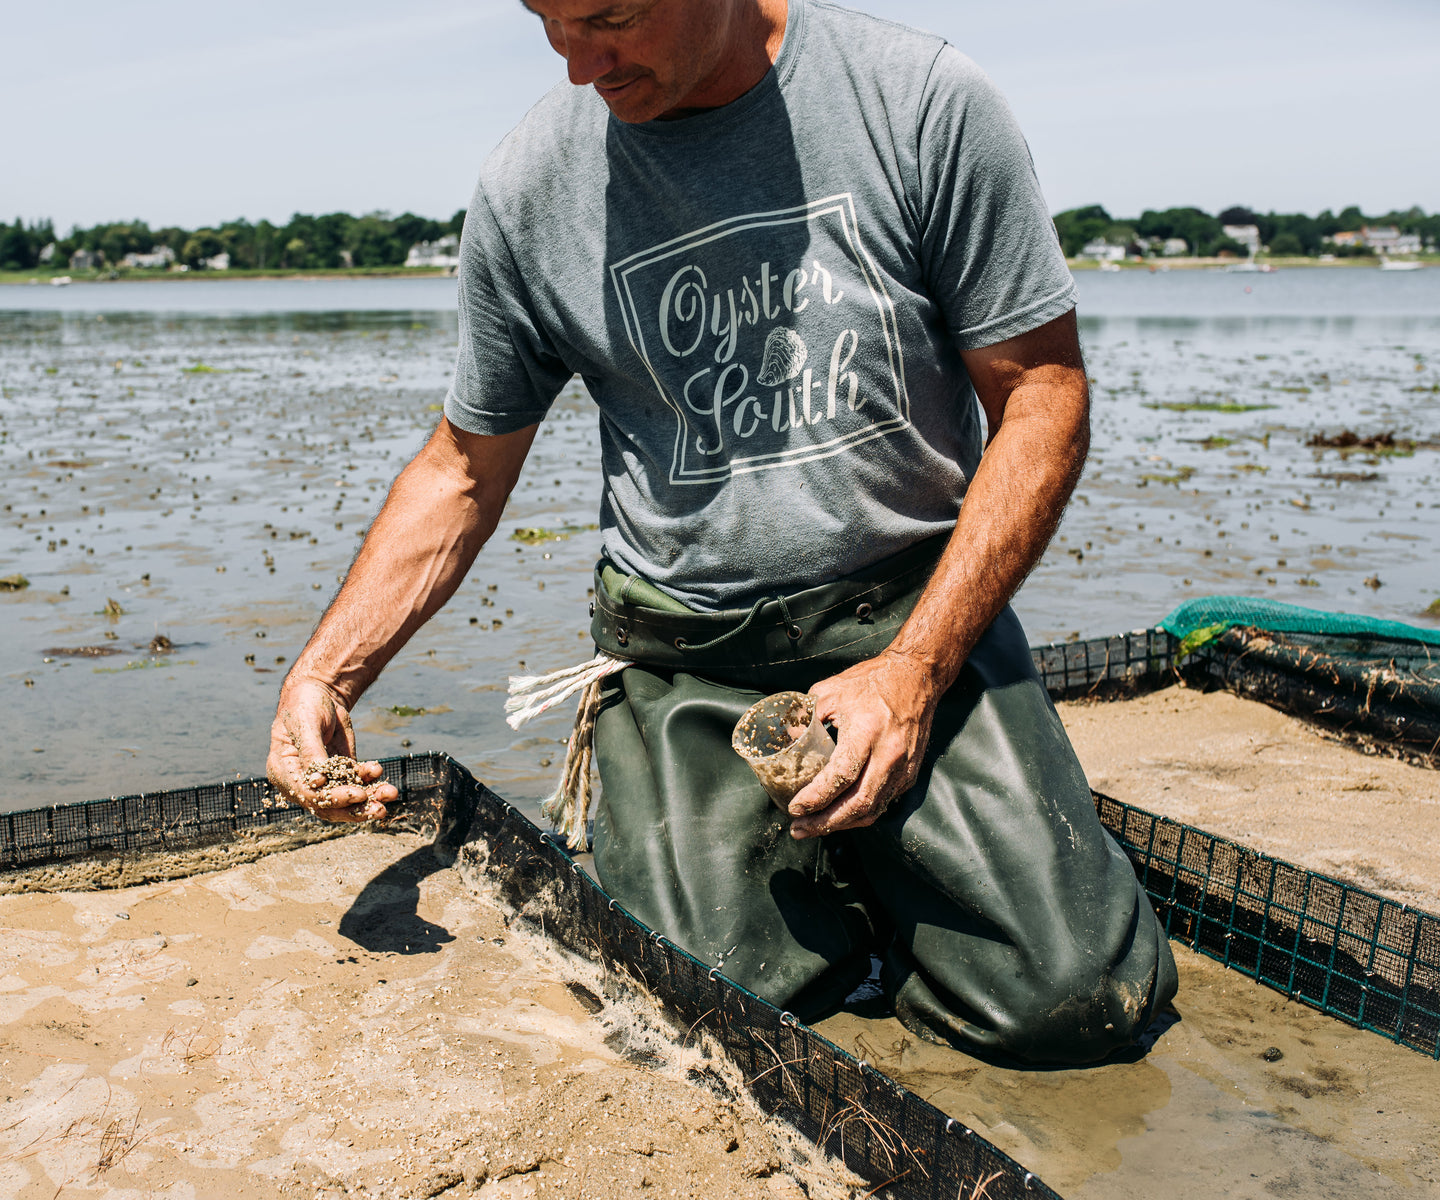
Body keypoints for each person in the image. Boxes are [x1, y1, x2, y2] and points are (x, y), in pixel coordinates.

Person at [268, 0, 1178, 1065]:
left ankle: (926, 858)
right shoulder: (530, 189)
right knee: (702, 1014)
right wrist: (327, 675)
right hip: (684, 656)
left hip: (909, 628)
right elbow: (466, 468)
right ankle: (817, 875)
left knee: (1067, 1001)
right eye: (549, 24)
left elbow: (1041, 394)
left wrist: (917, 672)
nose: (579, 66)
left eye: (609, 19)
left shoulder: (921, 102)